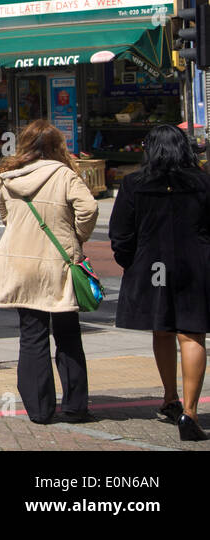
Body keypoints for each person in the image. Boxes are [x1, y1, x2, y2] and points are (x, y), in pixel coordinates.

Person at [0, 119, 99, 424]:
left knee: (31, 336)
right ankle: (75, 407)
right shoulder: (65, 176)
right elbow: (89, 210)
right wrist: (77, 235)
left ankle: (39, 410)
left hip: (20, 263)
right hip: (58, 265)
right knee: (67, 334)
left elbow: (5, 217)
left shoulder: (7, 178)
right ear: (57, 147)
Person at [109, 124, 210, 441]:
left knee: (162, 329)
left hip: (152, 267)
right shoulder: (204, 183)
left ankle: (169, 398)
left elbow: (121, 234)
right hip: (196, 265)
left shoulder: (134, 183)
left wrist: (131, 263)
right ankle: (190, 412)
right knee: (192, 333)